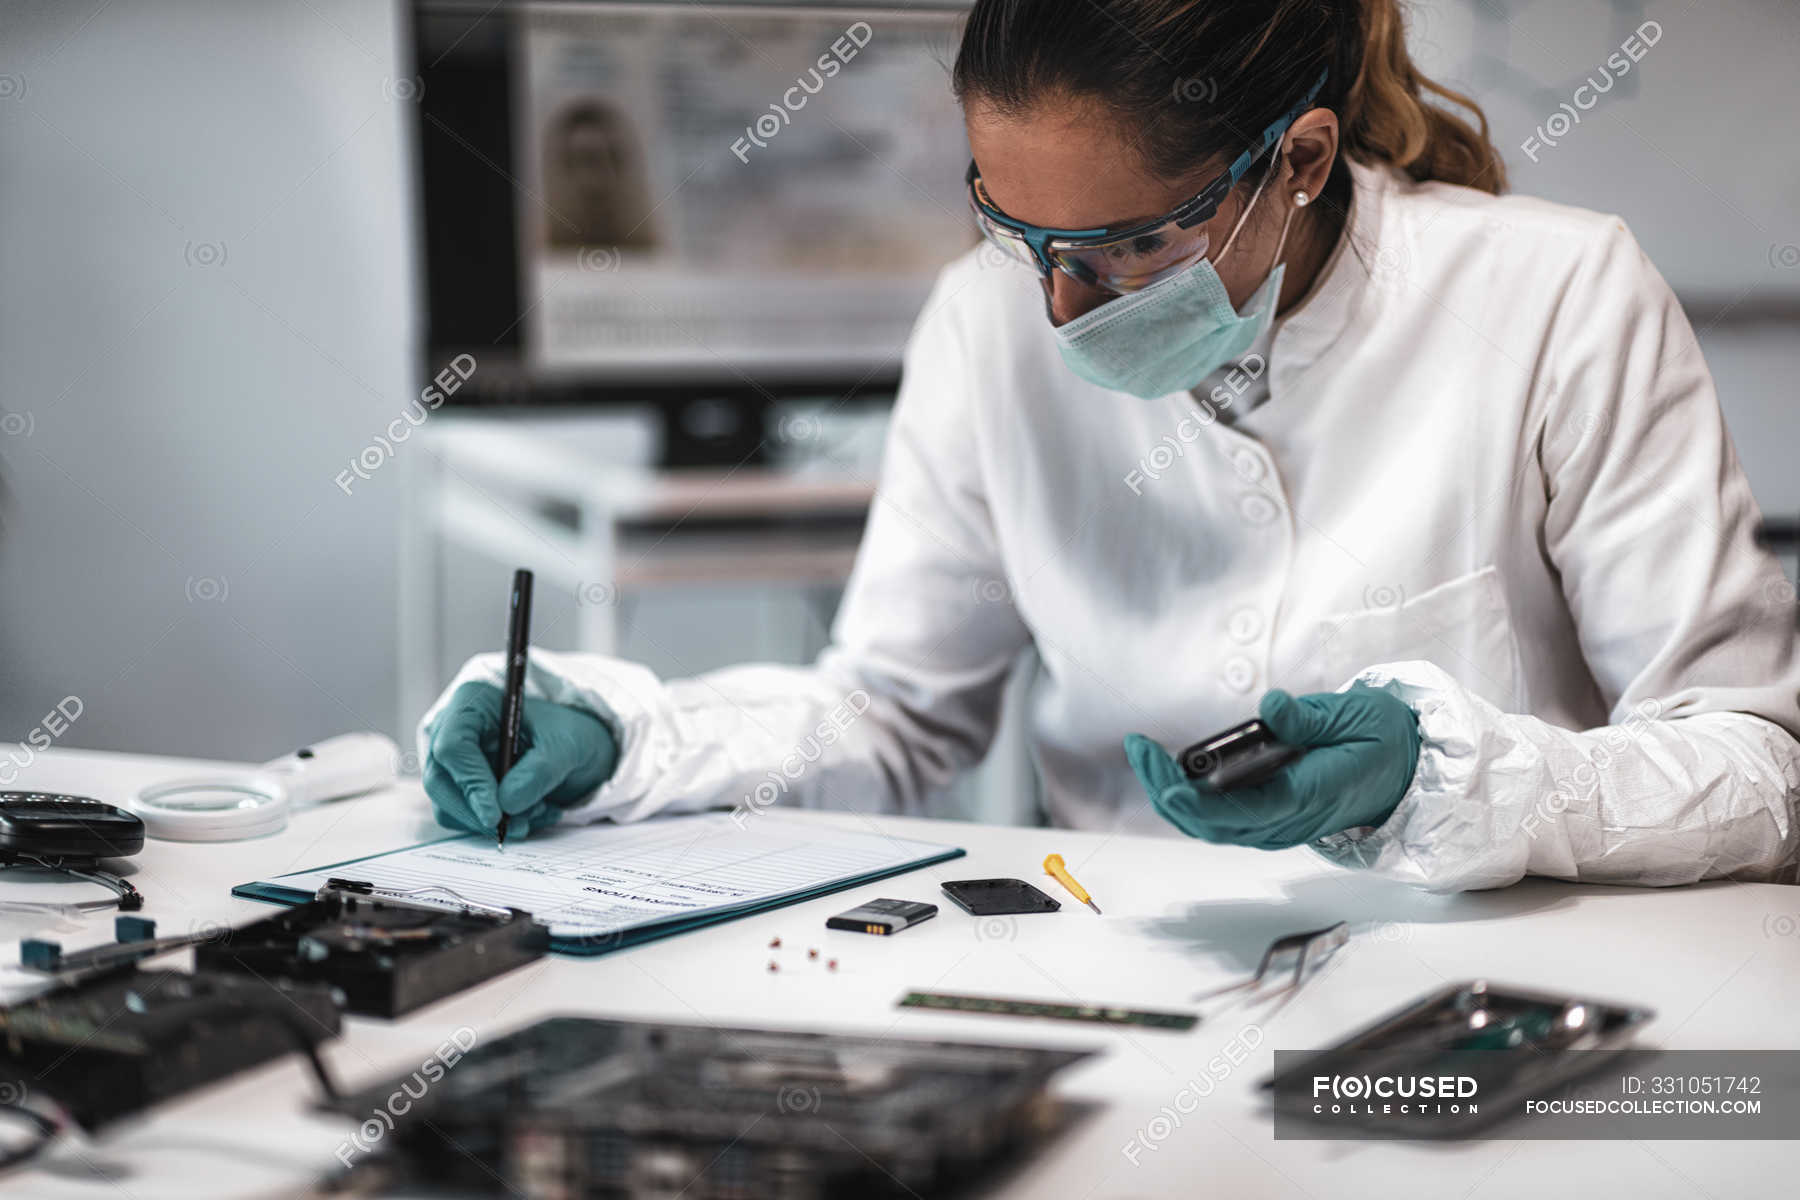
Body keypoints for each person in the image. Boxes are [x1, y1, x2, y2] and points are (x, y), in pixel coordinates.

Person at [420, 0, 1800, 892]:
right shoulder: (983, 329)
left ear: (1301, 160)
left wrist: (1452, 779)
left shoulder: (1553, 298)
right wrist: (628, 743)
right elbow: (894, 716)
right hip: (1126, 989)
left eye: (1126, 248)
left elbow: (1754, 762)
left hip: (1488, 1001)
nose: (1057, 308)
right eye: (1015, 234)